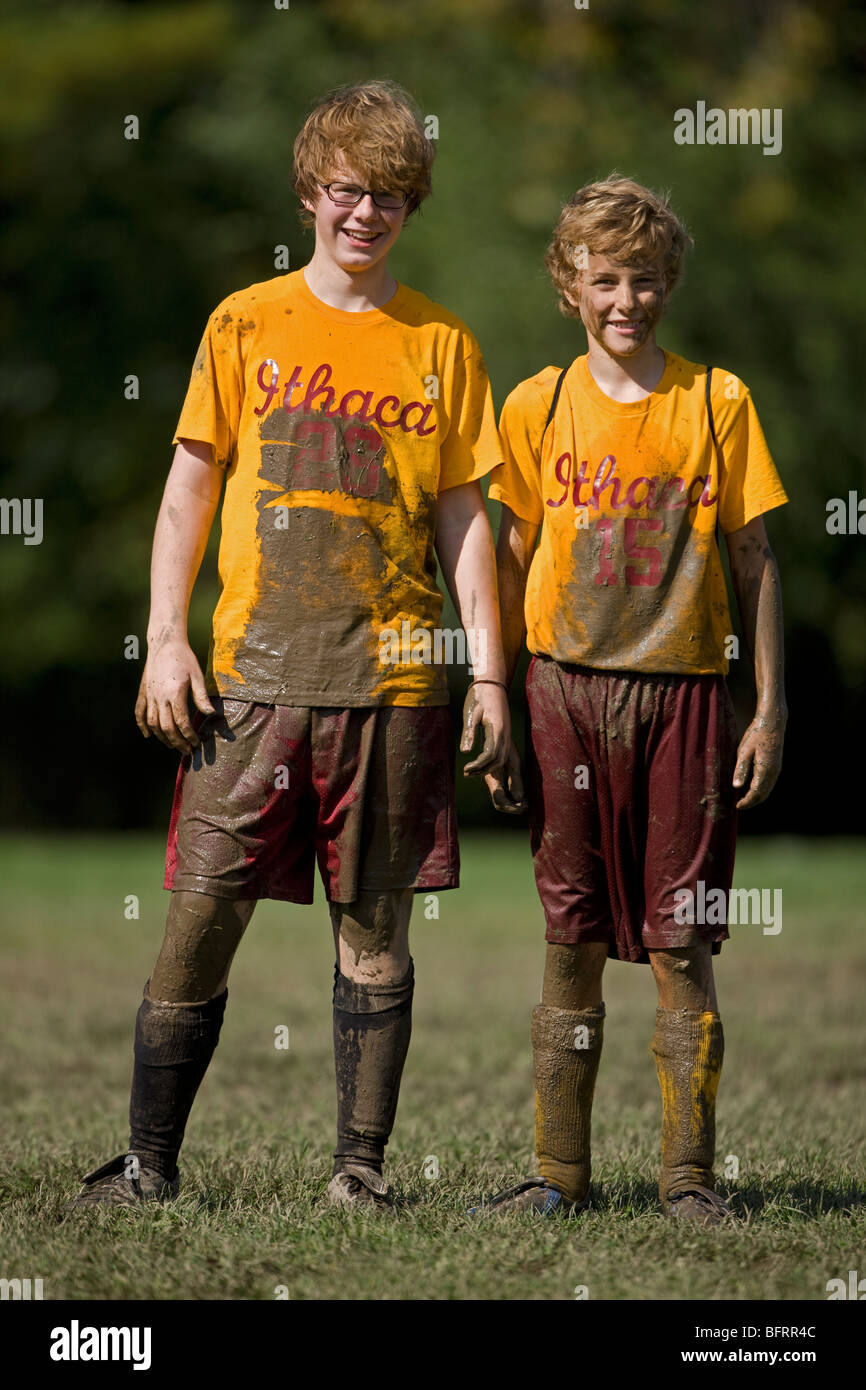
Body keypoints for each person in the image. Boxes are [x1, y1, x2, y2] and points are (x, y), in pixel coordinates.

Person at [68, 79, 510, 1214]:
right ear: (312, 190)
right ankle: (148, 1165)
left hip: (394, 683)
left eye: (393, 198)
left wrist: (491, 673)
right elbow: (185, 496)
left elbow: (468, 523)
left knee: (375, 931)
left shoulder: (443, 343)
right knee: (200, 916)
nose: (368, 214)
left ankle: (357, 1171)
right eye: (351, 191)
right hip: (251, 685)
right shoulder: (244, 321)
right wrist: (165, 642)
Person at [478, 175, 788, 1225]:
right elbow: (510, 556)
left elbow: (754, 559)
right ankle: (555, 1173)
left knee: (679, 937)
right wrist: (498, 697)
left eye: (644, 279)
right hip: (561, 692)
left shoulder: (716, 400)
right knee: (566, 935)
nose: (625, 298)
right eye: (604, 278)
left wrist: (769, 706)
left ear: (669, 284)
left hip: (687, 700)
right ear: (567, 285)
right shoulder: (534, 404)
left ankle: (686, 1179)